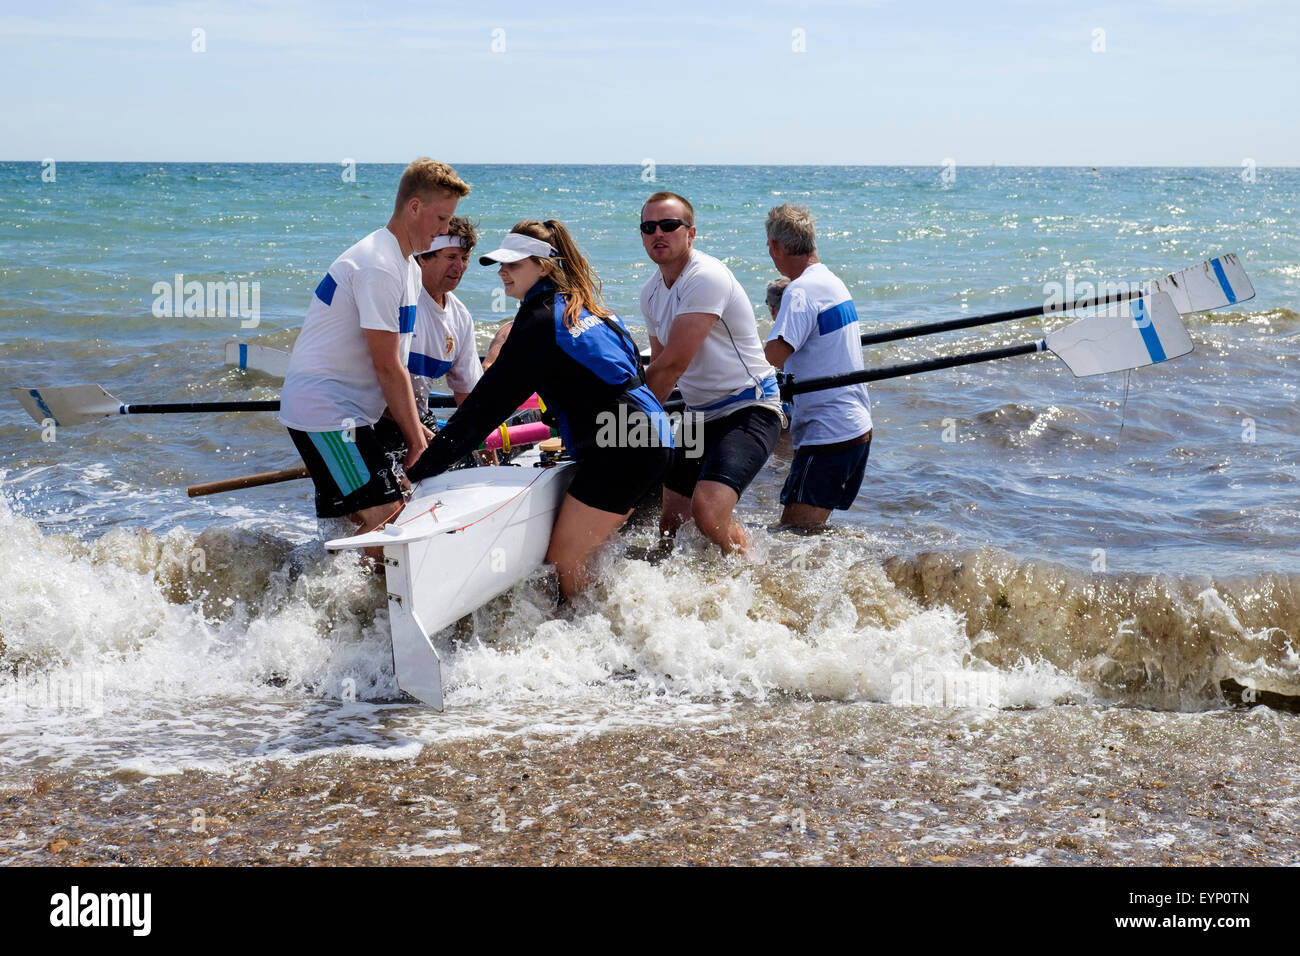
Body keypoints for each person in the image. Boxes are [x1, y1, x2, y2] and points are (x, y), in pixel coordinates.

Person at [407, 220, 673, 599]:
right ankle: (622, 631)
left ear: (544, 266)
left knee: (565, 559)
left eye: (513, 265)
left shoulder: (538, 322)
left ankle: (579, 639)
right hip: (656, 438)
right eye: (500, 264)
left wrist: (423, 468)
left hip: (623, 451)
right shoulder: (592, 308)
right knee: (605, 558)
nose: (502, 271)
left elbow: (486, 408)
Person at [279, 158, 470, 534]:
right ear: (414, 207)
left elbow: (393, 359)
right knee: (389, 522)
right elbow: (387, 367)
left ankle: (328, 587)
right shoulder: (378, 264)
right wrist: (416, 442)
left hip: (353, 415)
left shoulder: (410, 268)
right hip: (326, 415)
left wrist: (416, 427)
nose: (445, 230)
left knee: (356, 528)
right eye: (441, 219)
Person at [639, 191, 783, 554]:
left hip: (749, 407)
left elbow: (673, 366)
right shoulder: (650, 293)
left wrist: (620, 423)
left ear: (691, 233)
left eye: (669, 225)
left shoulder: (706, 277)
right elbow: (659, 368)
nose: (658, 232)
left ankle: (748, 575)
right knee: (670, 523)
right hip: (698, 415)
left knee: (708, 510)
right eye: (648, 226)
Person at [762, 203, 873, 528]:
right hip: (854, 428)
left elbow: (772, 358)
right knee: (807, 535)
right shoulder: (831, 281)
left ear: (777, 247)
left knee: (793, 534)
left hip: (830, 436)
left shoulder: (800, 292)